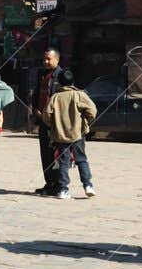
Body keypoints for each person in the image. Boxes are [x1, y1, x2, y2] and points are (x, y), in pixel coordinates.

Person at [45, 69, 97, 199]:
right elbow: (93, 111)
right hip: (77, 134)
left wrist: (54, 124)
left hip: (61, 136)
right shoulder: (79, 95)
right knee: (81, 160)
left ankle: (63, 189)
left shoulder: (55, 97)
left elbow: (46, 115)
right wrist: (84, 119)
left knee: (63, 162)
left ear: (60, 83)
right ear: (72, 81)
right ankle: (88, 185)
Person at [33, 50, 64, 193]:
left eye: (49, 59)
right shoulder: (42, 75)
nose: (46, 61)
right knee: (45, 153)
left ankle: (59, 184)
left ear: (57, 60)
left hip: (56, 122)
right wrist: (35, 109)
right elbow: (37, 93)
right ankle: (49, 183)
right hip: (42, 120)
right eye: (44, 59)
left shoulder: (62, 76)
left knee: (56, 153)